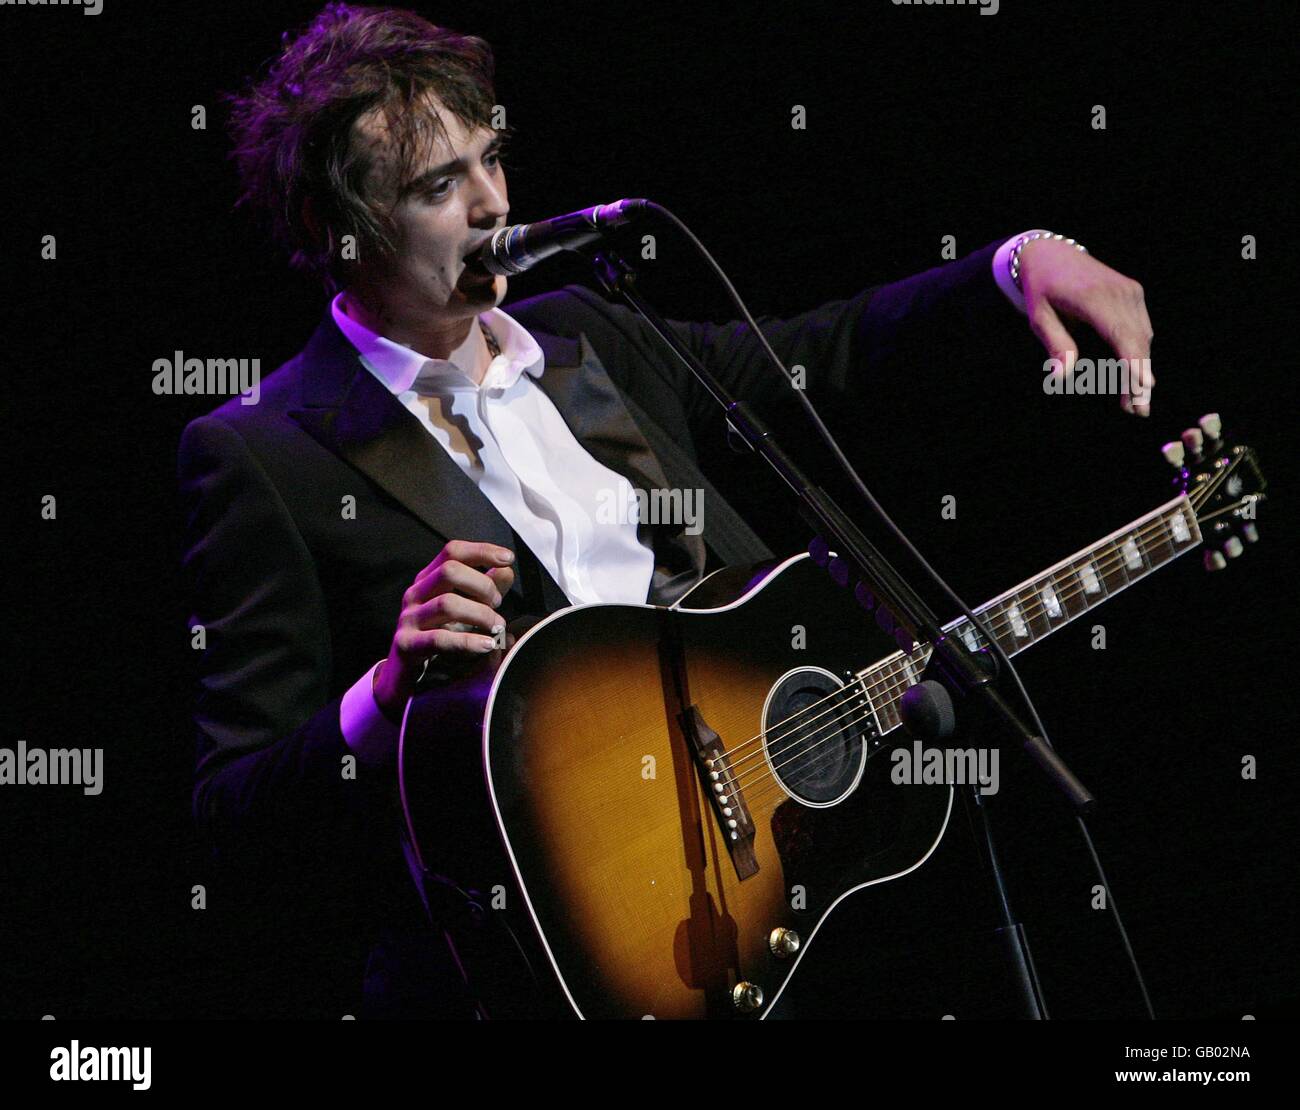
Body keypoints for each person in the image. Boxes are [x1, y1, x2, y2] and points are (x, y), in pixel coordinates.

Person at [178, 2, 1156, 1018]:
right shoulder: (264, 451)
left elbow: (821, 352)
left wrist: (1013, 260)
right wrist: (382, 694)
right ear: (337, 231)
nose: (490, 204)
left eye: (490, 161)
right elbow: (232, 811)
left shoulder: (590, 335)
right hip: (535, 977)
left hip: (775, 912)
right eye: (437, 185)